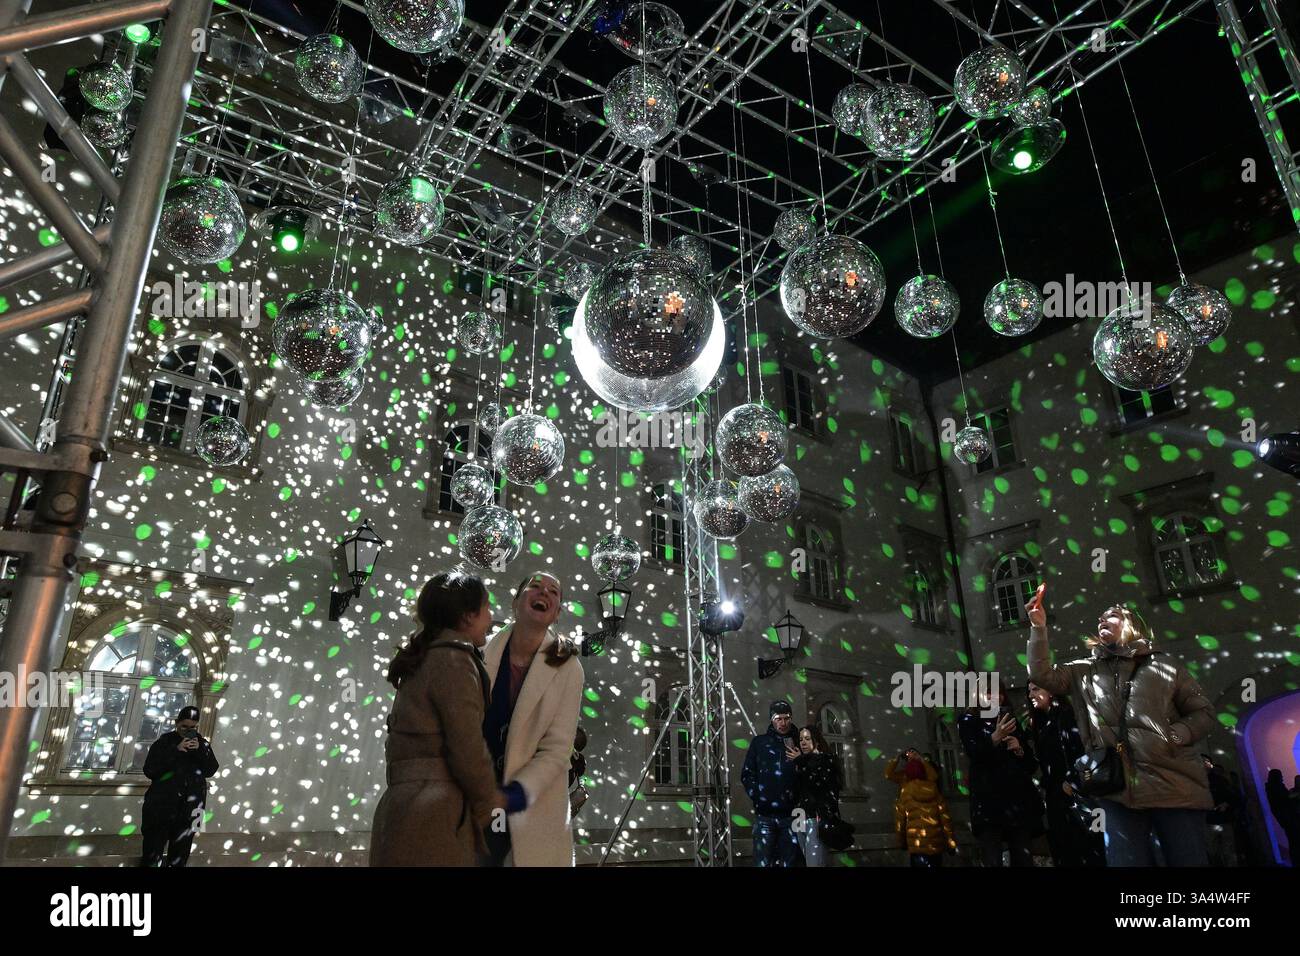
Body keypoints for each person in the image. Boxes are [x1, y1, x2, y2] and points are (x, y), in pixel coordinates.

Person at [1025, 583, 1216, 866]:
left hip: (1174, 786)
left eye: (1111, 615)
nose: (1102, 619)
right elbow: (1042, 675)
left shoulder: (1165, 666)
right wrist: (1038, 629)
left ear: (1132, 625)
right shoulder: (1084, 670)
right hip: (1116, 790)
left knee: (1187, 860)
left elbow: (1203, 713)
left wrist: (1175, 736)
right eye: (1100, 618)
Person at [370, 571, 507, 866]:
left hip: (404, 809)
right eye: (486, 607)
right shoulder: (454, 661)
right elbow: (466, 744)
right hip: (434, 816)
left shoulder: (426, 658)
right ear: (468, 616)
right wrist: (488, 800)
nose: (491, 616)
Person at [481, 572, 585, 866]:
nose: (545, 593)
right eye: (535, 587)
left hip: (533, 806)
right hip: (476, 799)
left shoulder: (569, 668)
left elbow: (557, 748)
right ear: (516, 602)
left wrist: (516, 794)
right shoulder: (479, 653)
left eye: (554, 591)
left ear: (557, 612)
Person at [958, 687, 1044, 866]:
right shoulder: (969, 720)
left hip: (1017, 803)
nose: (996, 697)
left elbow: (1031, 765)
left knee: (1023, 856)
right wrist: (995, 737)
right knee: (992, 858)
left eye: (999, 693)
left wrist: (1019, 749)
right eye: (989, 692)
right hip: (989, 803)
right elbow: (974, 753)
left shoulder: (1010, 720)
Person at [1026, 681, 1105, 866]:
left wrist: (1073, 781)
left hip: (1074, 792)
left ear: (1051, 692)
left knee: (1086, 846)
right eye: (1029, 691)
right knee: (1064, 849)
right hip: (1055, 794)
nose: (1031, 695)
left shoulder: (1066, 716)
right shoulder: (1039, 723)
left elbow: (1081, 751)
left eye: (1036, 689)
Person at [140, 705, 219, 867]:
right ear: (177, 723)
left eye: (193, 728)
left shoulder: (202, 744)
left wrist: (200, 751)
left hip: (190, 810)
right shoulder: (164, 742)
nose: (188, 731)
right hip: (161, 808)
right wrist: (176, 751)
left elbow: (211, 770)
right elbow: (150, 770)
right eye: (184, 726)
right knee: (152, 854)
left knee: (180, 857)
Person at [742, 700, 802, 866]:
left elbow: (810, 771)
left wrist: (801, 760)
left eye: (786, 718)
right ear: (772, 720)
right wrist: (759, 797)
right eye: (778, 719)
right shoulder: (760, 743)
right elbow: (747, 774)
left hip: (792, 815)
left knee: (790, 861)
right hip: (765, 815)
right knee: (763, 861)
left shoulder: (799, 742)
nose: (783, 723)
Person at [886, 749, 956, 866]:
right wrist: (951, 843)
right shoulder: (934, 790)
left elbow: (900, 821)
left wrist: (900, 842)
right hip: (935, 844)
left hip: (916, 843)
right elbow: (946, 820)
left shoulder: (905, 794)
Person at [793, 725, 842, 867]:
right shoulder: (801, 762)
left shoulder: (826, 760)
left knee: (815, 862)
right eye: (801, 739)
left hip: (817, 817)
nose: (803, 742)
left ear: (816, 741)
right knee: (808, 860)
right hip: (800, 816)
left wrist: (801, 762)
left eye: (807, 739)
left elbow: (818, 783)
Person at [1264, 768, 1299, 866]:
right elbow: (1286, 799)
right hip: (1290, 820)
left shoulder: (1272, 787)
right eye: (1281, 776)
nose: (1282, 777)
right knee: (1295, 842)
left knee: (1294, 842)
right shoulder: (1275, 788)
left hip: (1288, 820)